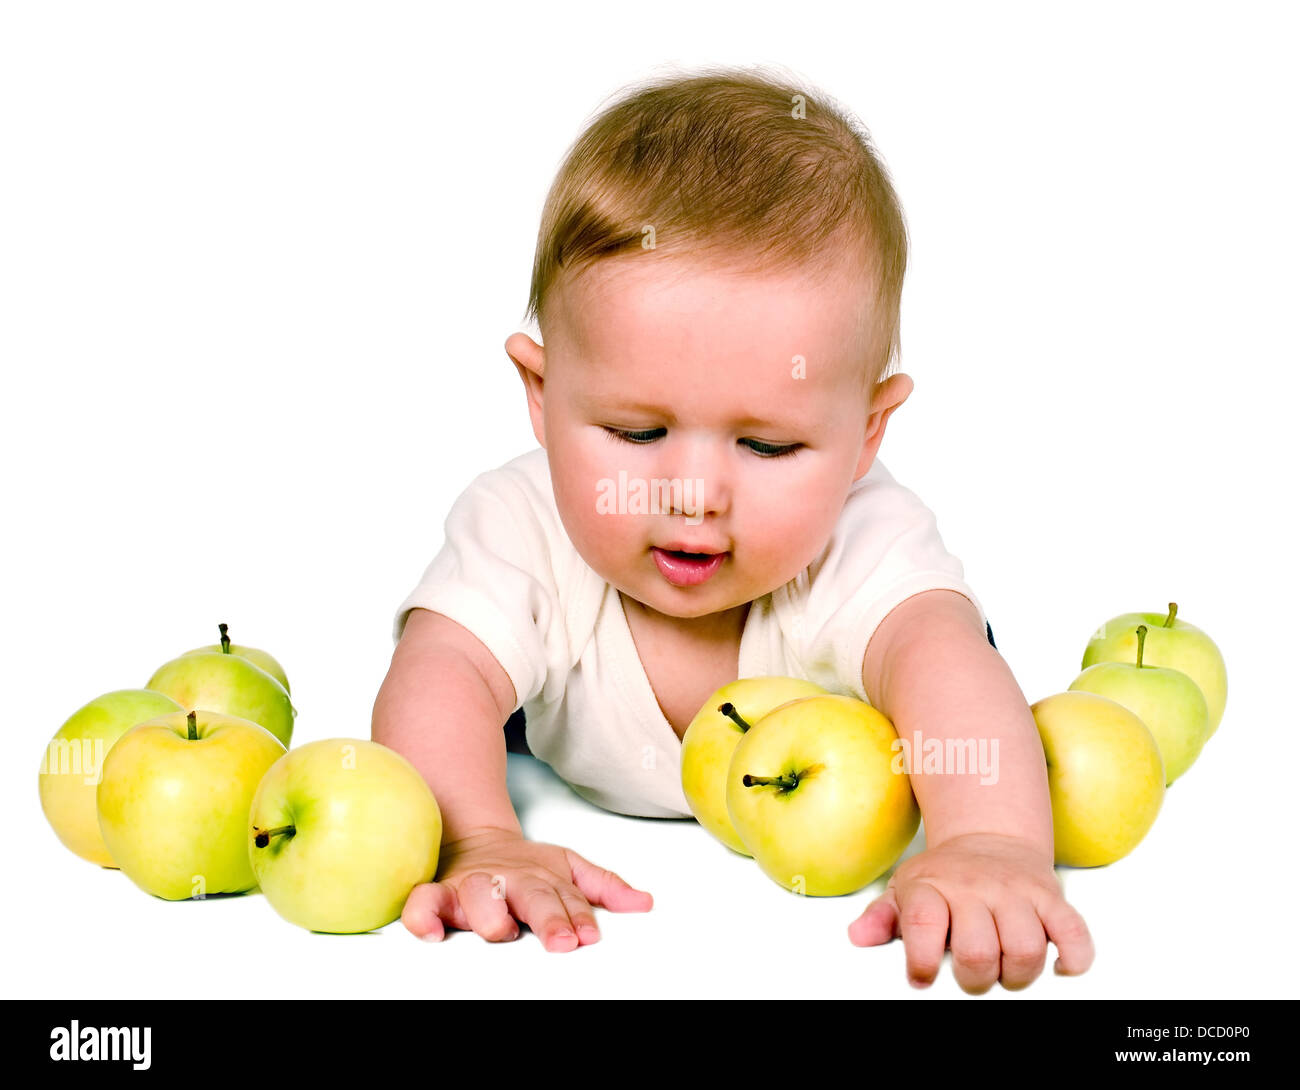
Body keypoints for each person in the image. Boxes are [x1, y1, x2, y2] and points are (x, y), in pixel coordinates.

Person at [372, 65, 1093, 993]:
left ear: (867, 432)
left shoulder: (860, 541)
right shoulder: (522, 522)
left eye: (767, 445)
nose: (696, 496)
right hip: (534, 724)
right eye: (637, 433)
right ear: (543, 398)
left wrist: (988, 840)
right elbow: (438, 675)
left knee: (953, 655)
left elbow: (944, 668)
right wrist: (478, 838)